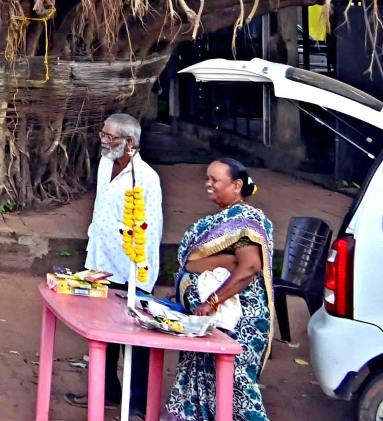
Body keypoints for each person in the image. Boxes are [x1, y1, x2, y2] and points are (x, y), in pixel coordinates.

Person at [160, 159, 274, 421]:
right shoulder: (221, 220)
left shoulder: (247, 220)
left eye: (215, 180)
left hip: (240, 321)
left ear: (236, 186)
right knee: (202, 383)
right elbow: (212, 263)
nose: (208, 184)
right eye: (207, 179)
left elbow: (248, 267)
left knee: (236, 390)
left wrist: (211, 301)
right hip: (208, 318)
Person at [67, 113, 163, 415]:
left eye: (112, 138)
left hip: (130, 267)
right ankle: (105, 391)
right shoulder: (106, 164)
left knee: (133, 337)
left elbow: (152, 228)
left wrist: (141, 274)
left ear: (130, 143)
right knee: (100, 332)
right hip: (100, 261)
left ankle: (138, 403)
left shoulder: (146, 178)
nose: (105, 143)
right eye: (103, 136)